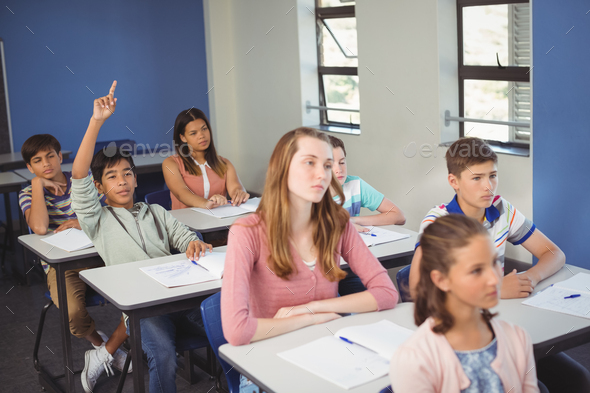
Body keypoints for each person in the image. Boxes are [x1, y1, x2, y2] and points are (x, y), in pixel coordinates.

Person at [71, 81, 212, 393]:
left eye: (127, 174)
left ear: (136, 179)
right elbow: (79, 175)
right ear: (99, 188)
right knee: (162, 356)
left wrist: (194, 242)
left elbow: (183, 234)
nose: (121, 181)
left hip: (180, 297)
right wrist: (97, 121)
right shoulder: (98, 219)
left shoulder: (156, 211)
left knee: (229, 326)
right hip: (145, 310)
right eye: (111, 176)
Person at [390, 214, 543, 393]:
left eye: (493, 262)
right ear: (441, 280)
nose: (495, 278)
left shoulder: (517, 338)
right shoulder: (414, 358)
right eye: (477, 270)